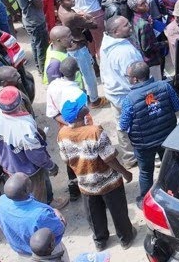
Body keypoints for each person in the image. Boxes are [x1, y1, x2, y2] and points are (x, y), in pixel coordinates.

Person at [56, 94, 138, 250]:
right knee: (118, 210)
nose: (85, 105)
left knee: (94, 214)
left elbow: (66, 159)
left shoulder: (62, 134)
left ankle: (100, 241)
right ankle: (126, 238)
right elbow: (109, 158)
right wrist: (125, 173)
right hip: (109, 181)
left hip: (86, 183)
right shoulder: (94, 131)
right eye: (82, 106)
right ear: (81, 114)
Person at [118, 61, 179, 197]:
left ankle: (145, 200)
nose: (127, 78)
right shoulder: (164, 86)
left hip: (144, 145)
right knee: (171, 168)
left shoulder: (129, 99)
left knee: (146, 172)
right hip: (167, 139)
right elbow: (178, 107)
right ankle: (176, 194)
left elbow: (123, 125)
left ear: (135, 79)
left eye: (127, 76)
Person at [0, 86, 58, 205]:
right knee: (38, 198)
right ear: (20, 102)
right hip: (30, 171)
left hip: (10, 166)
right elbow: (35, 155)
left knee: (23, 197)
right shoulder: (24, 127)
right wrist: (51, 166)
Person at [0, 172, 67, 258]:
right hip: (48, 255)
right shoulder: (41, 215)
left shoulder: (0, 202)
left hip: (22, 253)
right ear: (26, 190)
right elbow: (60, 228)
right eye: (28, 180)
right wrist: (57, 213)